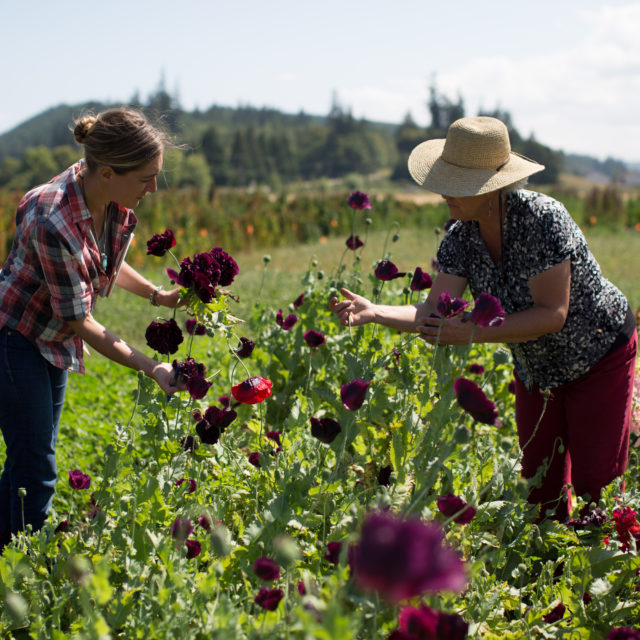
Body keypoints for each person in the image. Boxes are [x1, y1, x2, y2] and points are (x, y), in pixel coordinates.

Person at [330, 116, 637, 522]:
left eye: (455, 184)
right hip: (537, 369)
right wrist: (375, 312)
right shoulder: (461, 237)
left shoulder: (543, 221)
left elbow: (553, 315)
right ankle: (553, 571)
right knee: (539, 492)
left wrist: (472, 333)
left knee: (597, 487)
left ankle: (616, 576)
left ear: (492, 187)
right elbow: (431, 315)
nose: (443, 193)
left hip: (598, 354)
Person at [0, 107, 185, 548]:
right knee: (37, 466)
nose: (153, 188)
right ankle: (23, 569)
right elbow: (79, 319)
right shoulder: (52, 218)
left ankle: (8, 548)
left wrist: (158, 296)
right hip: (15, 338)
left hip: (52, 340)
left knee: (31, 453)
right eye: (145, 177)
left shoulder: (106, 200)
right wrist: (152, 367)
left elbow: (103, 264)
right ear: (107, 172)